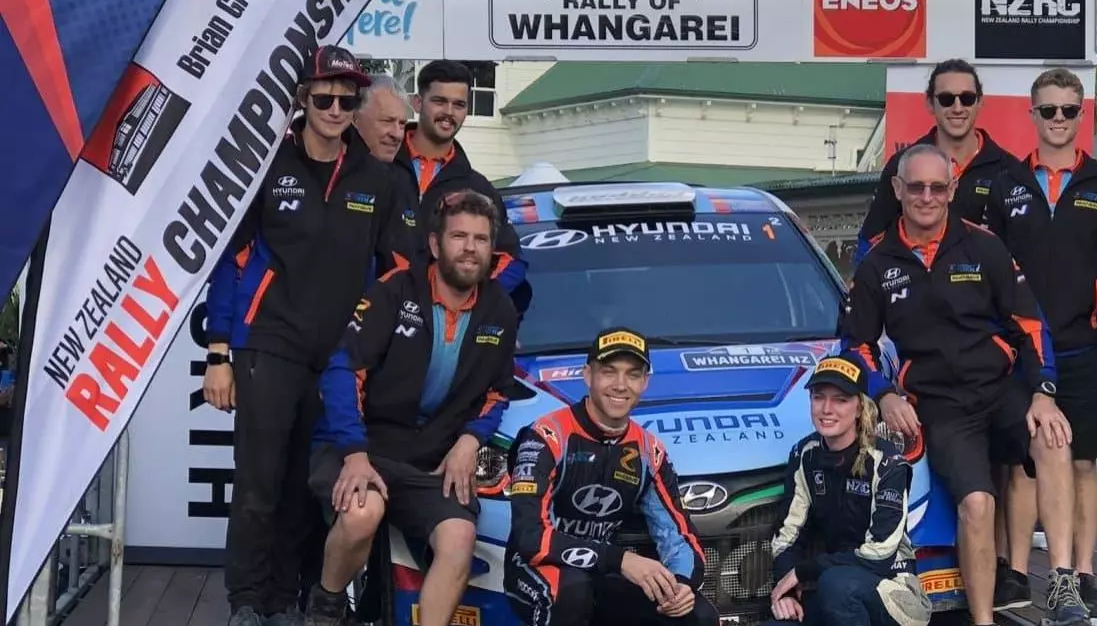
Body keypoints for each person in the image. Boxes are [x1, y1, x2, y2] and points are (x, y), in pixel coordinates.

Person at [202, 44, 414, 626]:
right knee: (257, 487)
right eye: (325, 97)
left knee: (304, 491)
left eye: (347, 100)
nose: (336, 108)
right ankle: (246, 604)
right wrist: (218, 350)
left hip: (337, 360)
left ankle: (289, 602)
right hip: (266, 347)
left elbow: (400, 269)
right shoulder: (268, 163)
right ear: (302, 99)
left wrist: (375, 339)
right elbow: (232, 259)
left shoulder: (378, 177)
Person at [841, 143, 1087, 626]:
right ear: (898, 189)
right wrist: (885, 393)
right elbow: (856, 345)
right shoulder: (877, 263)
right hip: (941, 406)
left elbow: (1030, 324)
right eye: (916, 187)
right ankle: (982, 621)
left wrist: (1044, 391)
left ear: (953, 189)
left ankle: (1062, 582)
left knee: (1053, 436)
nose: (927, 197)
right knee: (977, 504)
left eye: (938, 187)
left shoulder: (985, 245)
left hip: (1000, 390)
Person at [302, 190, 517, 626]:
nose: (470, 248)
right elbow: (342, 370)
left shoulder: (501, 309)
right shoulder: (394, 290)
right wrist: (355, 454)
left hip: (430, 464)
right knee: (364, 513)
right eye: (459, 236)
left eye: (479, 238)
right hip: (363, 446)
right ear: (436, 245)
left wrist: (470, 440)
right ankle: (325, 608)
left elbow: (499, 392)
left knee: (459, 536)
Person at [982, 68, 1097, 610]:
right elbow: (992, 267)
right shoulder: (1007, 185)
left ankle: (1083, 570)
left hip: (1082, 343)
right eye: (1049, 110)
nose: (1059, 120)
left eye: (1069, 110)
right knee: (1025, 463)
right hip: (1022, 351)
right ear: (1032, 114)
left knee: (1084, 462)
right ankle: (1018, 570)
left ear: (1082, 113)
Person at [503, 327, 718, 626]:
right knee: (571, 593)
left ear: (644, 382)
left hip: (601, 570)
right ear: (588, 375)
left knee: (699, 616)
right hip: (536, 567)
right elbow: (530, 538)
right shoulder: (546, 437)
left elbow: (680, 537)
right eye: (609, 372)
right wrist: (620, 560)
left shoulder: (648, 450)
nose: (620, 385)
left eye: (632, 374)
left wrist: (681, 585)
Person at [764, 351, 932, 626]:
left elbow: (878, 554)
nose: (826, 409)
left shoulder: (888, 461)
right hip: (832, 586)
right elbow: (787, 536)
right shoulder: (805, 454)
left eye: (840, 399)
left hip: (893, 590)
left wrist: (804, 571)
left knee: (838, 586)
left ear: (860, 407)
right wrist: (787, 590)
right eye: (818, 397)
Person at [854, 59, 1020, 266]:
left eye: (967, 98)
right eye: (946, 99)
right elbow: (869, 244)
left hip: (985, 294)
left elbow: (1025, 250)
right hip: (916, 292)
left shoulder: (1010, 170)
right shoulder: (902, 164)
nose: (957, 108)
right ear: (930, 103)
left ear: (980, 102)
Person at [396, 60, 527, 297]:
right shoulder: (380, 165)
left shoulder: (478, 188)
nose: (449, 112)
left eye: (458, 105)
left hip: (445, 327)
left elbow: (510, 260)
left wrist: (466, 301)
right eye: (439, 101)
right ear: (417, 102)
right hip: (374, 320)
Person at [355, 74, 410, 163]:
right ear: (355, 120)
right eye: (387, 121)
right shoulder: (331, 171)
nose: (397, 135)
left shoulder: (406, 175)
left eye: (402, 124)